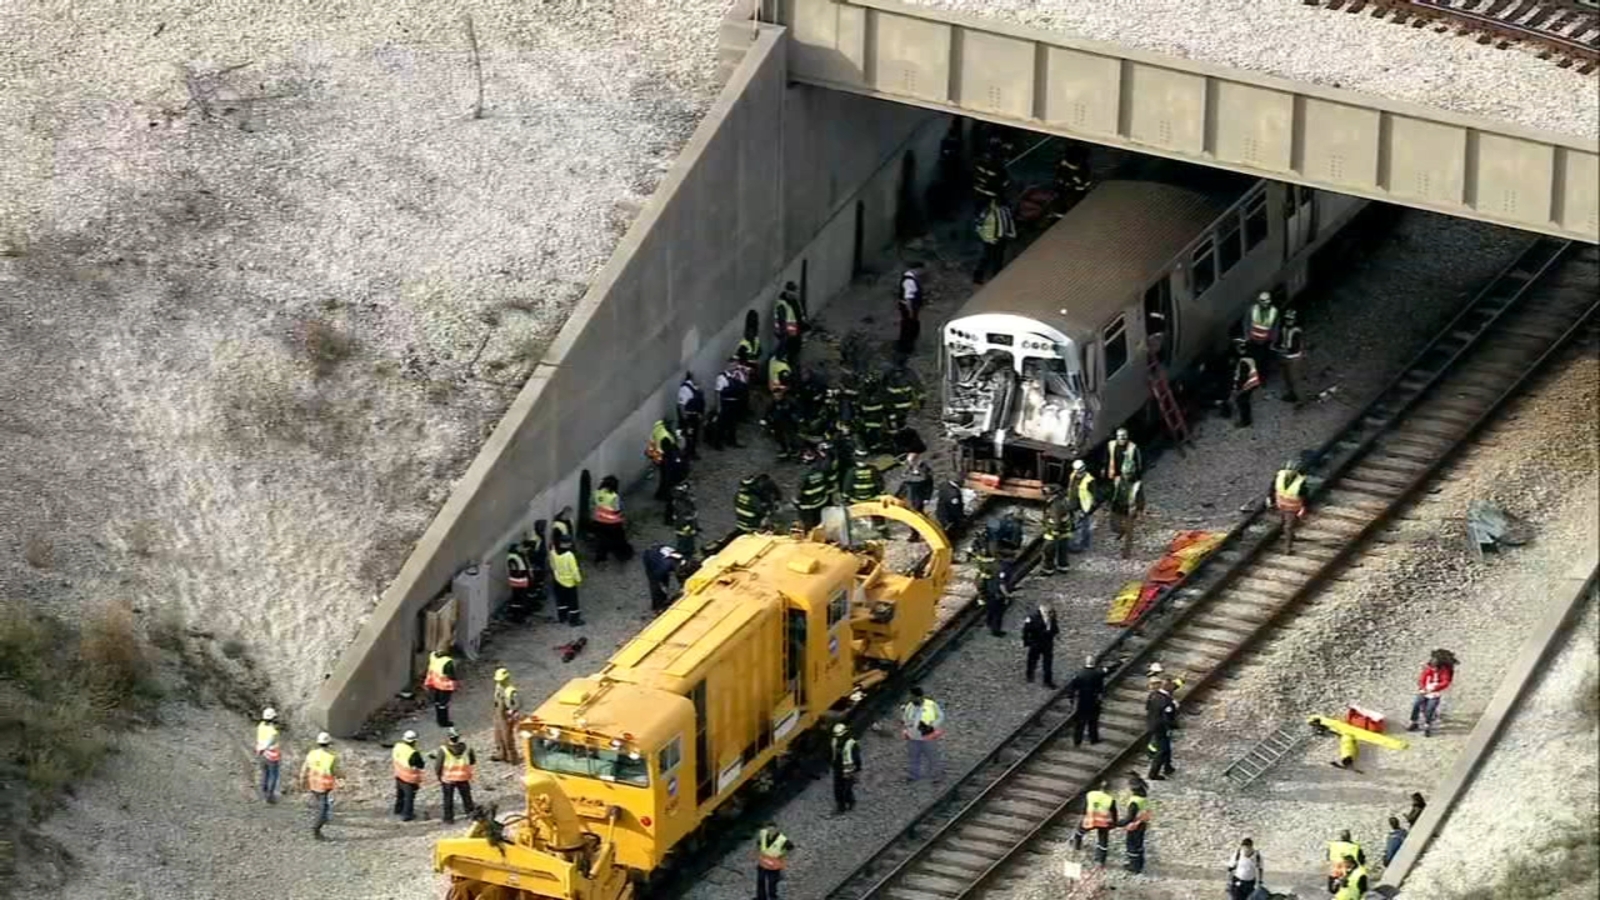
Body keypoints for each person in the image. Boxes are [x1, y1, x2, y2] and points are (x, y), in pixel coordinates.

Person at [901, 685, 945, 781]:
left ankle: (937, 776)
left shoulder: (931, 705)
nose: (910, 698)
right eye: (910, 697)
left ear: (919, 696)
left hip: (928, 736)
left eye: (912, 696)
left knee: (932, 756)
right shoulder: (910, 706)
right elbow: (905, 718)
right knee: (913, 757)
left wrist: (932, 726)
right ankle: (913, 775)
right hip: (913, 737)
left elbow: (940, 716)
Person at [434, 727, 477, 825]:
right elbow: (472, 761)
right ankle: (470, 813)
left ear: (449, 738)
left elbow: (438, 766)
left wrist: (439, 776)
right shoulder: (467, 748)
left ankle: (448, 818)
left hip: (448, 779)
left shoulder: (443, 750)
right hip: (463, 777)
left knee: (448, 799)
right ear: (458, 738)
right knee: (467, 797)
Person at [301, 732, 339, 840]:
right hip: (323, 786)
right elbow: (334, 771)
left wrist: (301, 780)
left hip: (313, 783)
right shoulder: (331, 756)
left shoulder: (312, 754)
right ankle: (316, 829)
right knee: (323, 807)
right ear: (329, 743)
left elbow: (304, 768)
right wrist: (343, 776)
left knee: (321, 803)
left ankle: (323, 818)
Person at [1409, 649, 1456, 736]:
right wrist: (1423, 688)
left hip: (1434, 693)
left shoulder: (1444, 671)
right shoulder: (1429, 668)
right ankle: (1414, 721)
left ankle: (1427, 725)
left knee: (1430, 709)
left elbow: (1445, 682)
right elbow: (1422, 678)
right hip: (1425, 691)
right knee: (1416, 704)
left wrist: (1434, 688)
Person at [1071, 779, 1117, 865]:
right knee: (1103, 841)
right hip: (1103, 822)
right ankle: (1101, 861)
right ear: (1110, 789)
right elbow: (1114, 813)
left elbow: (1085, 806)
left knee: (1080, 831)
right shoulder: (1110, 800)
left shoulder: (1091, 794)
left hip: (1091, 819)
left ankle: (1076, 845)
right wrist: (1114, 823)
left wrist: (1083, 814)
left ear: (1100, 787)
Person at [1066, 656, 1110, 746]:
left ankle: (1077, 741)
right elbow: (1107, 671)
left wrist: (1071, 699)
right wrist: (1119, 663)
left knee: (1080, 722)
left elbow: (1072, 688)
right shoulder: (1097, 673)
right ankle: (1093, 739)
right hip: (1094, 700)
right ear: (1094, 663)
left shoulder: (1079, 674)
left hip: (1082, 701)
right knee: (1093, 721)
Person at [973, 196, 1016, 285]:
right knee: (985, 258)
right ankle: (977, 277)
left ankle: (996, 278)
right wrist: (986, 237)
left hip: (1002, 238)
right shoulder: (988, 210)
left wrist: (1011, 233)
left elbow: (1009, 222)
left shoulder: (1005, 210)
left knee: (999, 258)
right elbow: (978, 226)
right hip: (989, 239)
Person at [647, 419, 684, 521]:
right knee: (667, 484)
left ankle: (660, 494)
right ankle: (668, 512)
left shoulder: (657, 428)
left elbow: (652, 442)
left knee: (663, 479)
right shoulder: (667, 437)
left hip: (659, 458)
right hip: (664, 460)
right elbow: (673, 449)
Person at [591, 475, 632, 563]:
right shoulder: (613, 496)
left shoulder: (596, 492)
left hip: (598, 521)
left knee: (602, 540)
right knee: (619, 538)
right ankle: (623, 555)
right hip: (613, 523)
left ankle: (600, 558)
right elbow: (617, 510)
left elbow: (593, 503)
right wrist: (623, 517)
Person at [972, 539, 1009, 637]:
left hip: (984, 590)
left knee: (989, 610)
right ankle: (996, 630)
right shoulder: (998, 567)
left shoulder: (980, 563)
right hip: (995, 593)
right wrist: (1007, 595)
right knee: (998, 614)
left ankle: (988, 622)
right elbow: (1001, 584)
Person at [1272, 457, 1308, 554]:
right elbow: (1272, 487)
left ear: (1296, 472)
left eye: (1292, 471)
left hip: (1292, 509)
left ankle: (1287, 547)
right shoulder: (1280, 475)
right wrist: (1269, 498)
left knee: (1288, 527)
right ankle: (1291, 536)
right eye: (1289, 470)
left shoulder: (1300, 482)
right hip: (1280, 505)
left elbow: (1305, 496)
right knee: (1283, 524)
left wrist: (1303, 508)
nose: (1289, 472)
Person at [711, 359, 749, 449]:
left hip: (736, 402)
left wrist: (745, 373)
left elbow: (745, 384)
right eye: (731, 365)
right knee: (722, 424)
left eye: (735, 365)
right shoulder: (722, 377)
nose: (733, 367)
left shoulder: (738, 374)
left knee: (733, 423)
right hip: (726, 402)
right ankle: (718, 443)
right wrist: (718, 406)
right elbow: (717, 392)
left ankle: (732, 440)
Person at [1146, 677, 1178, 780]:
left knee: (1167, 747)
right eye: (1172, 685)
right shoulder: (1167, 701)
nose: (1174, 687)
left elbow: (1147, 707)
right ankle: (1153, 774)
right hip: (1161, 728)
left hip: (1152, 724)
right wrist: (1173, 725)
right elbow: (1167, 717)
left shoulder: (1153, 695)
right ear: (1167, 687)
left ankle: (1168, 767)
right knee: (1162, 750)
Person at [1021, 602, 1059, 687]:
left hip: (1048, 644)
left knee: (1048, 663)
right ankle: (1030, 675)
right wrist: (1026, 641)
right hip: (1036, 643)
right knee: (1032, 661)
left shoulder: (1051, 615)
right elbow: (1026, 630)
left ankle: (1047, 681)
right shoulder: (1032, 617)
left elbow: (1054, 626)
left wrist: (1054, 632)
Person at [1109, 472, 1145, 560]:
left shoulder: (1137, 485)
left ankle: (1126, 553)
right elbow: (1111, 492)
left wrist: (1140, 510)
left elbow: (1140, 498)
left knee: (1129, 533)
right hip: (1117, 508)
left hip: (1129, 510)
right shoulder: (1117, 480)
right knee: (1114, 527)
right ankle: (1122, 530)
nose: (1127, 476)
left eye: (1128, 474)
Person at [1275, 308, 1307, 404]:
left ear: (1294, 320)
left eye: (1290, 319)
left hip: (1293, 359)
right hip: (1285, 356)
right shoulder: (1284, 328)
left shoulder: (1296, 331)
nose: (1288, 321)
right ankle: (1292, 395)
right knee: (1287, 378)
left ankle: (1302, 400)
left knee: (1295, 381)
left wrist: (1282, 350)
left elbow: (1295, 349)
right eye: (1287, 319)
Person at [1120, 775, 1151, 873]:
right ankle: (1140, 863)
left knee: (1131, 846)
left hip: (1135, 826)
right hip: (1142, 823)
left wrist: (1117, 823)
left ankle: (1134, 867)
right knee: (1139, 844)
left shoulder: (1134, 802)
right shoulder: (1143, 795)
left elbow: (1129, 818)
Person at [1037, 482, 1070, 575]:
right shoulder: (1061, 501)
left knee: (1048, 551)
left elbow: (1056, 520)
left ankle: (1048, 570)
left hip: (1053, 532)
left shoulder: (1055, 506)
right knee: (1062, 550)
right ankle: (1063, 567)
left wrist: (1054, 532)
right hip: (1064, 531)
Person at [392, 729, 425, 822]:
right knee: (409, 797)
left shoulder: (397, 746)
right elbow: (421, 765)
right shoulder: (413, 753)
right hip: (409, 779)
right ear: (414, 741)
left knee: (400, 794)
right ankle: (407, 815)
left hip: (399, 774)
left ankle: (398, 809)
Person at [642, 543, 686, 613]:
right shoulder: (663, 568)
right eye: (680, 573)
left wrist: (683, 586)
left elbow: (683, 575)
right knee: (656, 585)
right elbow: (660, 583)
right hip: (650, 557)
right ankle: (658, 606)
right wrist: (664, 588)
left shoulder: (683, 561)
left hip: (661, 551)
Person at [549, 541, 584, 626]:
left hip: (558, 580)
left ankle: (562, 617)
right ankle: (574, 620)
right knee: (573, 602)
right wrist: (578, 580)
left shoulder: (553, 552)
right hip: (569, 582)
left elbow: (552, 565)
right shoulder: (569, 555)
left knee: (561, 600)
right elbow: (574, 570)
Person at [755, 821, 792, 900]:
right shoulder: (764, 835)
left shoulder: (782, 839)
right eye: (769, 829)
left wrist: (781, 854)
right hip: (763, 863)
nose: (771, 831)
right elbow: (759, 844)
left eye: (772, 830)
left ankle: (773, 897)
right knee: (760, 881)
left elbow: (790, 847)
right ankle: (761, 897)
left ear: (776, 829)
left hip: (774, 865)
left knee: (772, 882)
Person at [424, 642, 458, 728]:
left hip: (435, 683)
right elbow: (451, 675)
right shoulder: (447, 661)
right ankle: (444, 722)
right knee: (444, 704)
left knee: (437, 703)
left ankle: (439, 719)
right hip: (445, 686)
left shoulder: (433, 656)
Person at [1067, 459, 1098, 552]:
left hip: (1084, 507)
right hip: (1072, 505)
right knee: (1073, 526)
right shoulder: (1072, 475)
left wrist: (1087, 511)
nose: (1078, 474)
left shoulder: (1090, 480)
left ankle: (1084, 545)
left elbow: (1094, 496)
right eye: (1077, 472)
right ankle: (1072, 544)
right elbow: (1070, 489)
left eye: (1079, 472)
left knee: (1084, 527)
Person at [492, 667, 521, 764]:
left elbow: (517, 704)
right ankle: (501, 754)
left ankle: (513, 758)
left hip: (506, 716)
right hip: (498, 713)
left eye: (502, 680)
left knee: (507, 737)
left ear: (507, 679)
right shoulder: (498, 687)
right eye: (498, 680)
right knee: (498, 735)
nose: (500, 682)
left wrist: (512, 712)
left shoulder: (511, 691)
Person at [830, 722, 861, 815]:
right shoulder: (834, 741)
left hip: (849, 770)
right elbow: (833, 753)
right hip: (838, 768)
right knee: (838, 788)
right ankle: (841, 807)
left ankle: (850, 802)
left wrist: (857, 770)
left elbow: (856, 758)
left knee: (846, 788)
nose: (839, 738)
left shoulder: (851, 743)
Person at [897, 263, 924, 361]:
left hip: (910, 307)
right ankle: (906, 349)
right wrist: (911, 311)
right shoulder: (909, 281)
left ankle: (906, 346)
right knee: (909, 327)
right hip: (909, 308)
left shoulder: (909, 278)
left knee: (909, 326)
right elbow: (908, 298)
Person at [1231, 338, 1261, 428]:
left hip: (1246, 385)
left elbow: (1242, 378)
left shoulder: (1243, 362)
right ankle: (1246, 420)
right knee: (1245, 402)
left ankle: (1245, 421)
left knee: (1242, 402)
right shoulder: (1250, 357)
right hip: (1252, 383)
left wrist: (1237, 389)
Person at [1325, 829, 1366, 894]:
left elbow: (1327, 856)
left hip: (1335, 868)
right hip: (1347, 869)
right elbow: (1361, 860)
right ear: (1349, 837)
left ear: (1340, 836)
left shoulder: (1333, 845)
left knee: (1332, 889)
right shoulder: (1355, 846)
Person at [896, 452, 934, 520]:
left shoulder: (923, 468)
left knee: (917, 510)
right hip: (910, 493)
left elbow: (927, 482)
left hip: (918, 493)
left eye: (911, 461)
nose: (909, 463)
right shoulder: (909, 467)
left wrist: (927, 498)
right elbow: (903, 479)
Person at [255, 707, 282, 804]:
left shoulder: (260, 726)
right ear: (273, 718)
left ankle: (264, 792)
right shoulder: (273, 731)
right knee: (273, 776)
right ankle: (270, 796)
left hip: (262, 754)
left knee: (265, 774)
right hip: (272, 756)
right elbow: (270, 742)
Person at [676, 371, 705, 460]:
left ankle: (691, 453)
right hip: (688, 417)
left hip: (695, 416)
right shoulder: (685, 389)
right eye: (699, 378)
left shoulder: (696, 388)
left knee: (694, 436)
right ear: (692, 378)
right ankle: (686, 455)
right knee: (688, 436)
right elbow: (681, 405)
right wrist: (685, 419)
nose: (700, 380)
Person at [774, 281, 804, 363]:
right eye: (791, 290)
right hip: (787, 335)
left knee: (795, 352)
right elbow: (782, 321)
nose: (793, 293)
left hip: (796, 333)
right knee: (786, 355)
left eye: (794, 290)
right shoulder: (782, 304)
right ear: (787, 290)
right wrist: (785, 334)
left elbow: (799, 314)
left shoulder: (795, 301)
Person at [795, 464, 832, 532]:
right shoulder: (822, 472)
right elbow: (827, 484)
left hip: (808, 505)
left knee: (808, 524)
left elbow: (800, 491)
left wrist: (797, 502)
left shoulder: (805, 476)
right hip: (820, 501)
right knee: (819, 522)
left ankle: (809, 536)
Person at [671, 481, 701, 561]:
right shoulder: (681, 504)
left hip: (686, 526)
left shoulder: (682, 502)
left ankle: (688, 551)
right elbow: (685, 517)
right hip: (684, 526)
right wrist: (691, 527)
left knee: (688, 540)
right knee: (684, 540)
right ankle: (685, 554)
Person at [506, 540, 533, 619]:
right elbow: (515, 569)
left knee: (519, 597)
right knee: (519, 598)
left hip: (520, 580)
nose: (521, 549)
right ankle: (518, 615)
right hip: (518, 580)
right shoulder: (513, 557)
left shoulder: (517, 555)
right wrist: (521, 575)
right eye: (519, 548)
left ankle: (519, 612)